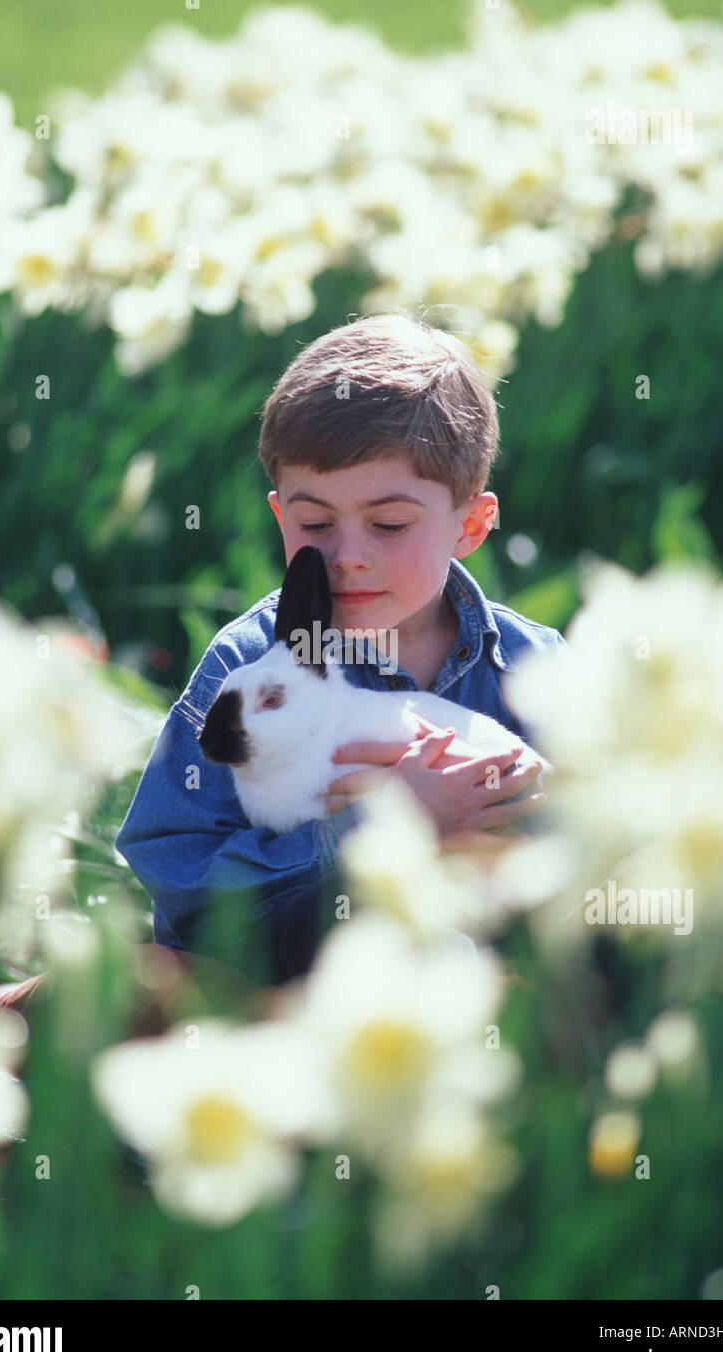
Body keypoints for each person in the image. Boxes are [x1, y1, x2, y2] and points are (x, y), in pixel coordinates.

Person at [115, 313, 564, 981]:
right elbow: (181, 880)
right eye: (314, 522)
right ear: (278, 516)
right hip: (300, 987)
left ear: (469, 524)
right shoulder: (247, 665)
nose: (347, 557)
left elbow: (591, 837)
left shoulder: (534, 667)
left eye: (388, 524)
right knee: (153, 981)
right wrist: (368, 829)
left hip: (495, 986)